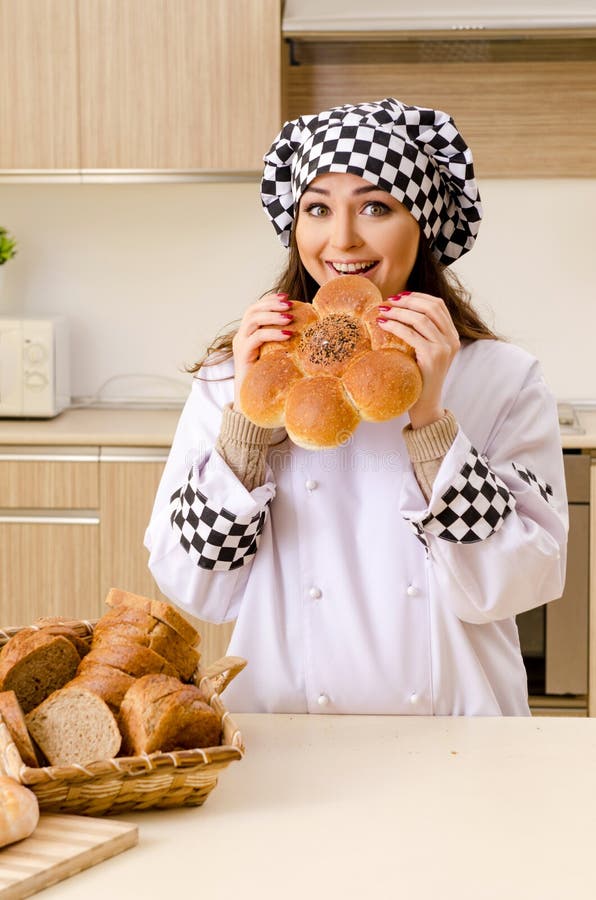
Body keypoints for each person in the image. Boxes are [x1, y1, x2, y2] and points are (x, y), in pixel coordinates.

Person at [145, 98, 568, 715]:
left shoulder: (501, 378)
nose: (341, 239)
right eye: (317, 208)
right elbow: (194, 588)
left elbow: (520, 583)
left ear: (420, 223)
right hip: (288, 729)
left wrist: (430, 424)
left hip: (459, 731)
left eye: (376, 206)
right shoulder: (239, 375)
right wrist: (245, 430)